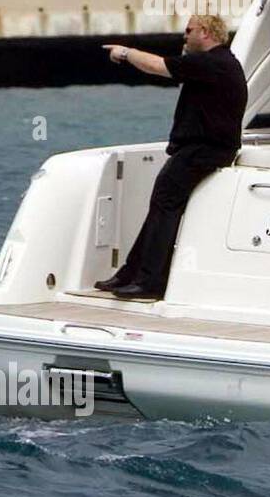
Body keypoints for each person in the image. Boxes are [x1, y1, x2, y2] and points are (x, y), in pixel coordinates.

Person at [95, 15, 247, 299]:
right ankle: (131, 273)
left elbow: (158, 66)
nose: (184, 36)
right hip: (200, 149)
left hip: (201, 150)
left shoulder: (212, 62)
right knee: (161, 205)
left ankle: (150, 281)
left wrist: (125, 52)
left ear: (205, 32)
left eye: (189, 31)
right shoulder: (218, 63)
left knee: (165, 206)